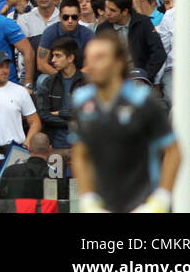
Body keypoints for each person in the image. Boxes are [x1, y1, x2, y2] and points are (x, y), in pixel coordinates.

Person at [72, 31, 180, 212]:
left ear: (118, 63)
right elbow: (80, 154)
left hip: (143, 205)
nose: (91, 65)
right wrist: (87, 199)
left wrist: (160, 199)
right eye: (88, 58)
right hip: (103, 207)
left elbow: (174, 151)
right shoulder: (81, 101)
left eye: (99, 57)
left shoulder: (143, 100)